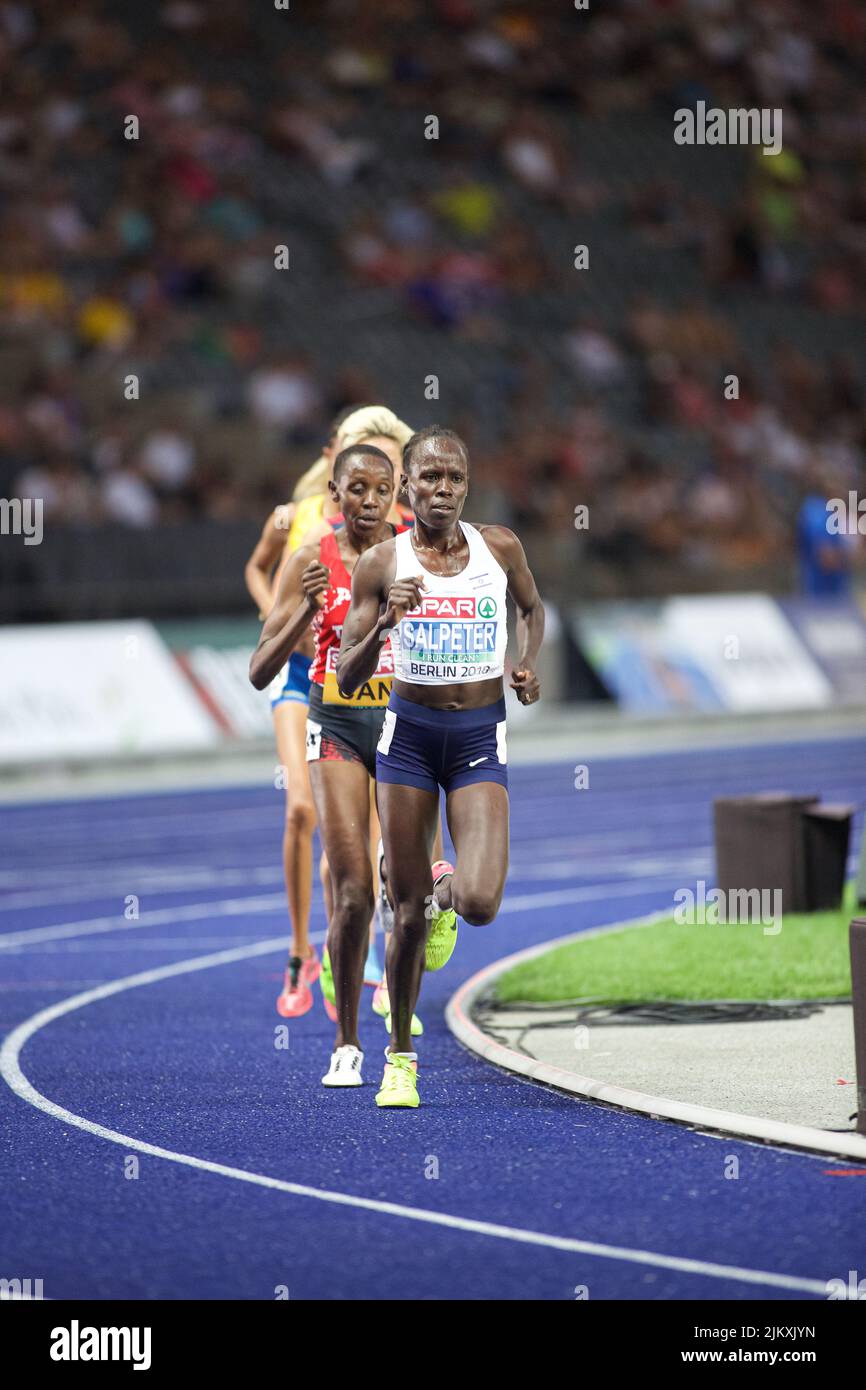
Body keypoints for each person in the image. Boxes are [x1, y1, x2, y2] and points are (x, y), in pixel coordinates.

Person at [336, 425, 545, 1108]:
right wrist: (383, 627)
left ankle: (445, 887)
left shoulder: (501, 546)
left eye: (453, 478)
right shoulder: (381, 563)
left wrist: (525, 659)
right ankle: (400, 1056)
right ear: (407, 486)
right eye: (429, 477)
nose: (442, 489)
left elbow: (532, 607)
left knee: (481, 904)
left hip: (480, 735)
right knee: (404, 916)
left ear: (467, 484)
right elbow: (346, 668)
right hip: (411, 740)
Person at [250, 443, 419, 1086]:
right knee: (352, 893)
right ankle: (347, 1043)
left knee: (405, 893)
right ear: (335, 490)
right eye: (357, 489)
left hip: (407, 726)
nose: (370, 502)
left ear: (395, 492)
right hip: (338, 722)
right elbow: (259, 670)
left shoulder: (418, 551)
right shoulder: (308, 559)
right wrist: (300, 608)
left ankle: (400, 1049)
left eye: (382, 490)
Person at [243, 407, 360, 1018]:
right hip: (296, 671)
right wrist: (278, 616)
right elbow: (258, 566)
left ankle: (347, 952)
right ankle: (299, 950)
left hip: (351, 675)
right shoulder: (294, 516)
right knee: (300, 808)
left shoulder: (380, 520)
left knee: (350, 828)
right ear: (330, 450)